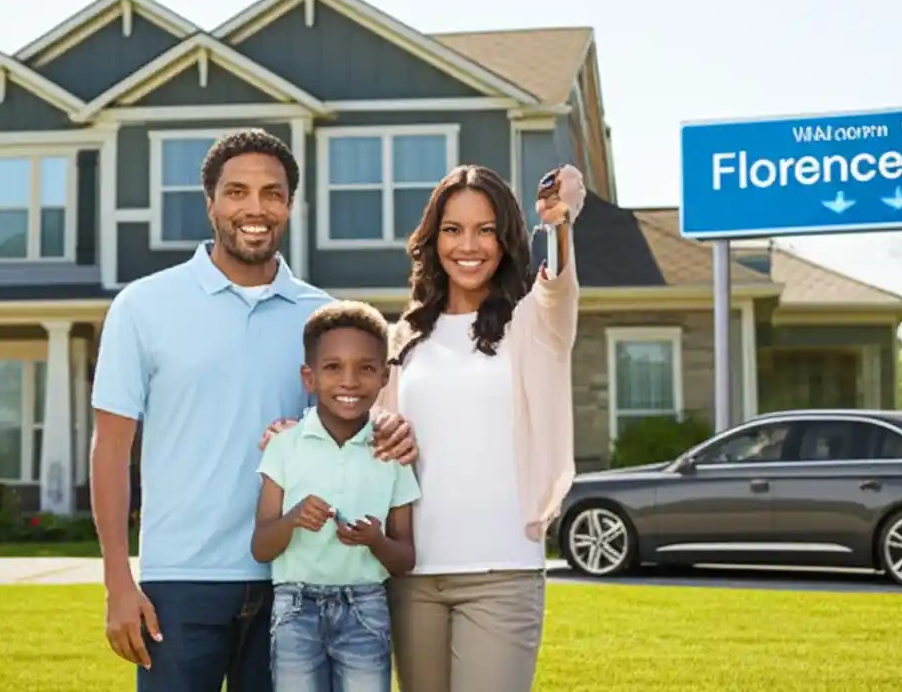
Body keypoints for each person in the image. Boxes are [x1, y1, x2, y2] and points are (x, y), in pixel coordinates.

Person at [90, 128, 418, 692]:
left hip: (294, 582)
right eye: (237, 192)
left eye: (272, 193)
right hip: (180, 580)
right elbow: (111, 448)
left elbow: (358, 421)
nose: (255, 208)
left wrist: (393, 431)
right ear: (211, 203)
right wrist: (118, 579)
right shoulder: (143, 306)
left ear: (290, 205)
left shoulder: (326, 321)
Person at [377, 163, 586, 691]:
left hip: (503, 572)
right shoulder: (405, 335)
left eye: (485, 229)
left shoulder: (535, 322)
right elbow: (377, 433)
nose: (468, 245)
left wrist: (560, 223)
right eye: (453, 229)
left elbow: (557, 284)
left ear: (506, 238)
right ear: (433, 238)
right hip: (411, 576)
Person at [251, 300, 420, 692]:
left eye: (365, 368)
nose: (349, 381)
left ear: (383, 378)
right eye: (332, 367)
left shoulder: (391, 453)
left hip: (366, 607)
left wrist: (375, 540)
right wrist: (293, 519)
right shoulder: (284, 446)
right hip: (295, 608)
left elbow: (405, 558)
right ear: (309, 378)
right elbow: (261, 547)